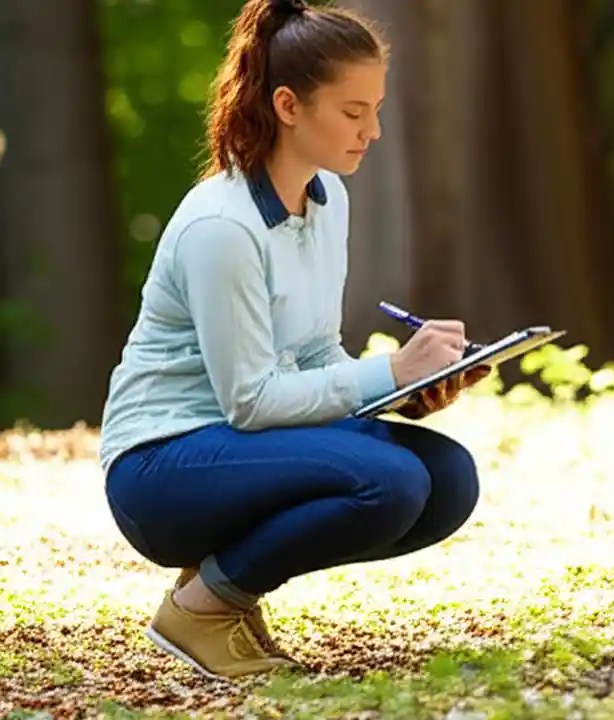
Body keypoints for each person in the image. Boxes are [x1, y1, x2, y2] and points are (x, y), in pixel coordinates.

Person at [98, 0, 489, 680]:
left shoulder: (326, 197)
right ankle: (204, 607)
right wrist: (388, 370)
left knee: (448, 480)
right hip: (160, 466)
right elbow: (250, 400)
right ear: (288, 105)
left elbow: (312, 356)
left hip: (243, 448)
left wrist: (408, 390)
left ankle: (221, 589)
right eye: (352, 111)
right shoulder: (221, 228)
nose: (373, 130)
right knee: (389, 481)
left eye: (375, 108)